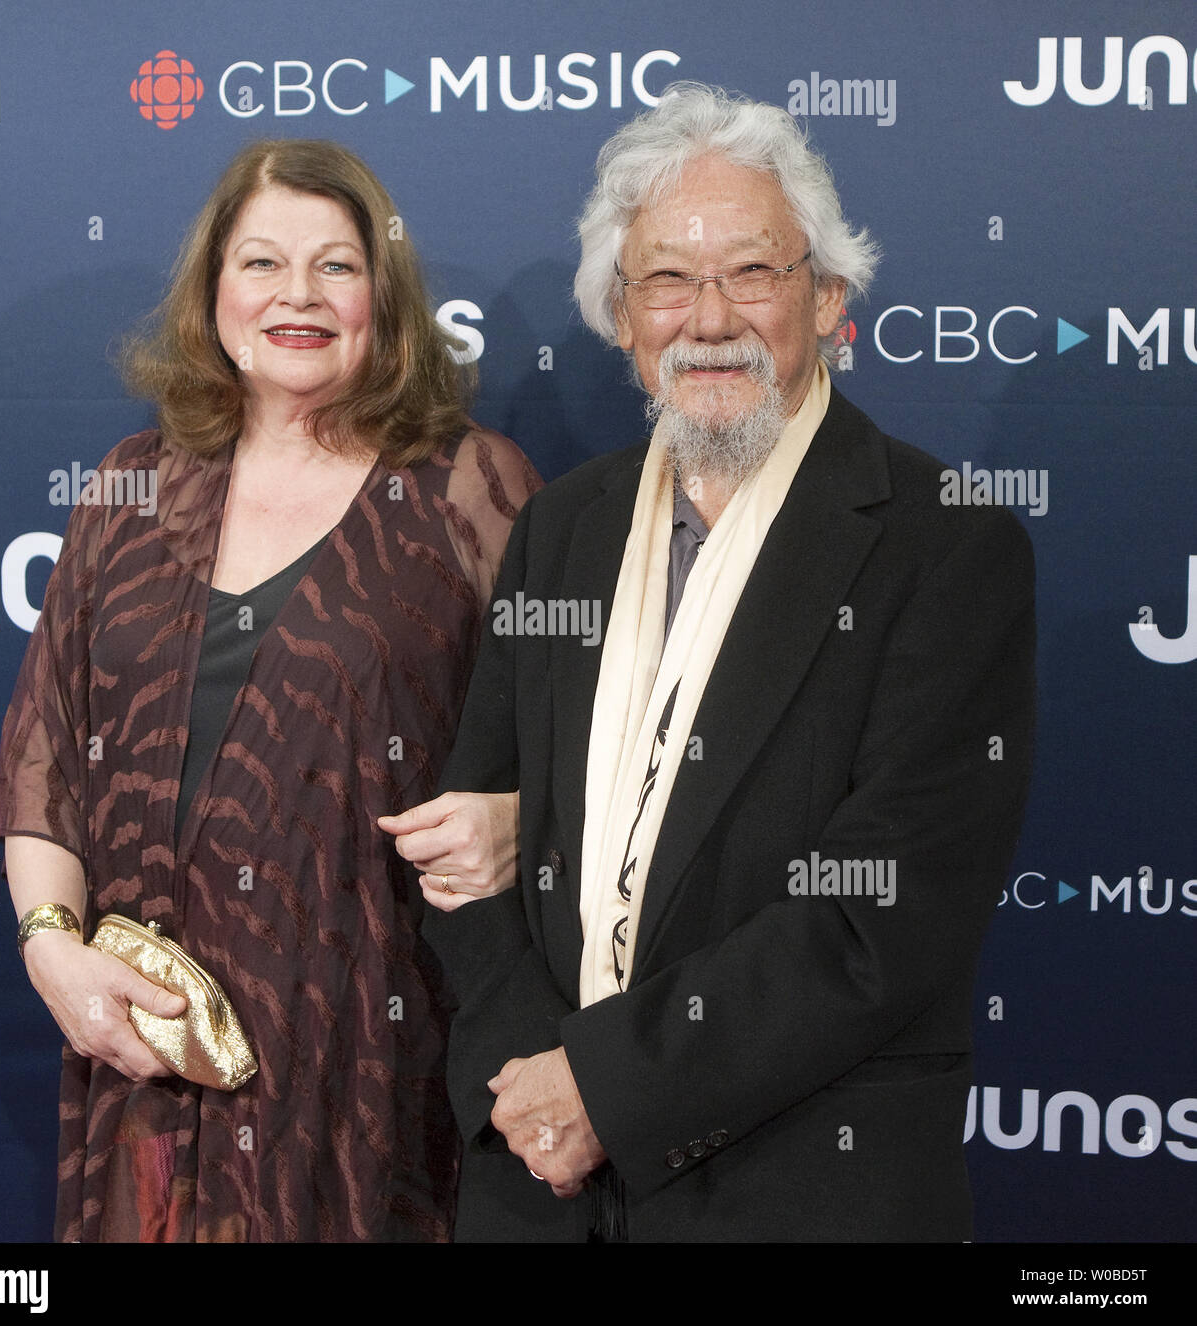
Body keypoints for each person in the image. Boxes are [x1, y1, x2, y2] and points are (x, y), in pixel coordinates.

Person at [389, 84, 1036, 1242]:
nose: (708, 317)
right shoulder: (562, 528)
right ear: (621, 316)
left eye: (751, 273)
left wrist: (606, 1087)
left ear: (829, 298)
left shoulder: (946, 544)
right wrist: (538, 1087)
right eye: (667, 281)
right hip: (542, 1188)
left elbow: (875, 918)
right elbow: (473, 843)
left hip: (796, 1186)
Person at [0, 138, 539, 1242]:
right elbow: (45, 752)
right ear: (212, 292)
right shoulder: (133, 484)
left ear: (384, 296)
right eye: (262, 263)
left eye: (336, 265)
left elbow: (583, 747)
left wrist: (525, 821)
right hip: (144, 1048)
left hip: (369, 1055)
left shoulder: (470, 487)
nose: (298, 295)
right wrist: (54, 952)